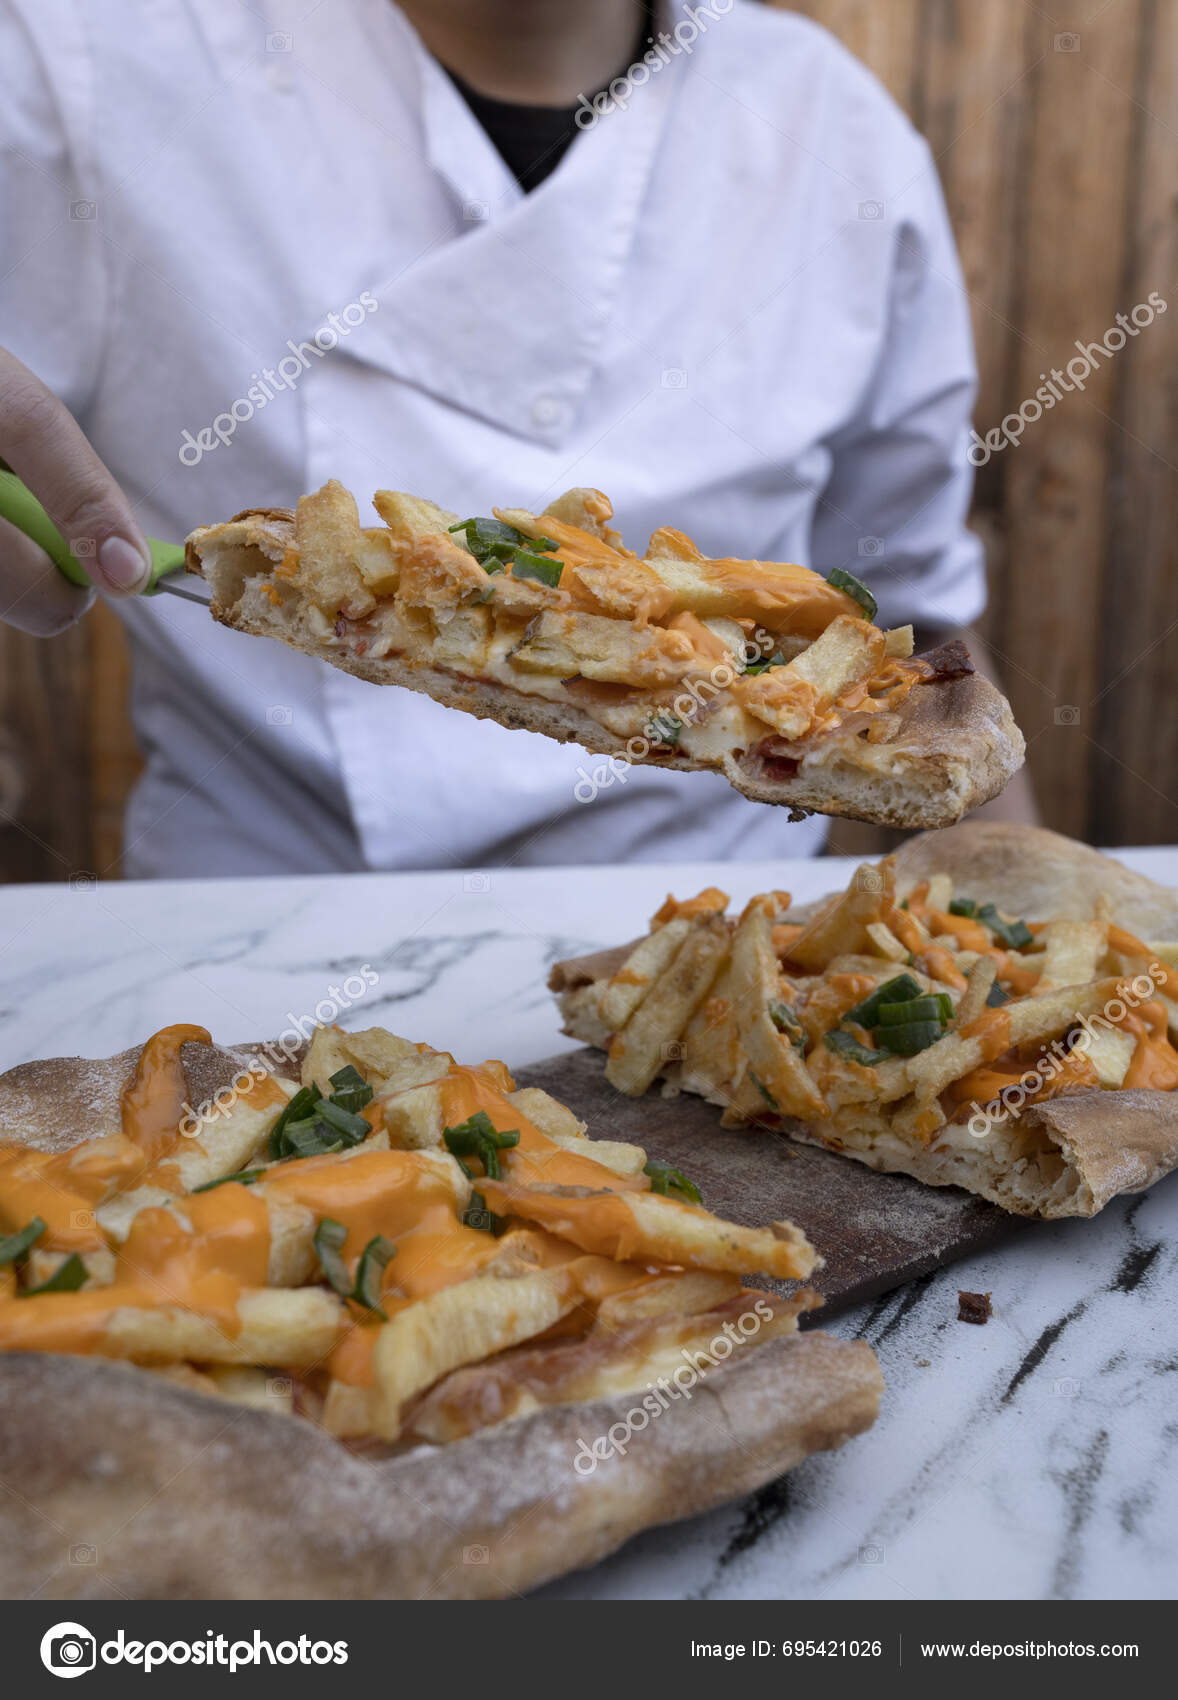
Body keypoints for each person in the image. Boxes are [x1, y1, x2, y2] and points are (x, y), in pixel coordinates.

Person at [0, 0, 1033, 878]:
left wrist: (1026, 920)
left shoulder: (833, 128)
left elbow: (913, 618)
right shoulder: (79, 60)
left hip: (705, 931)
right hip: (247, 928)